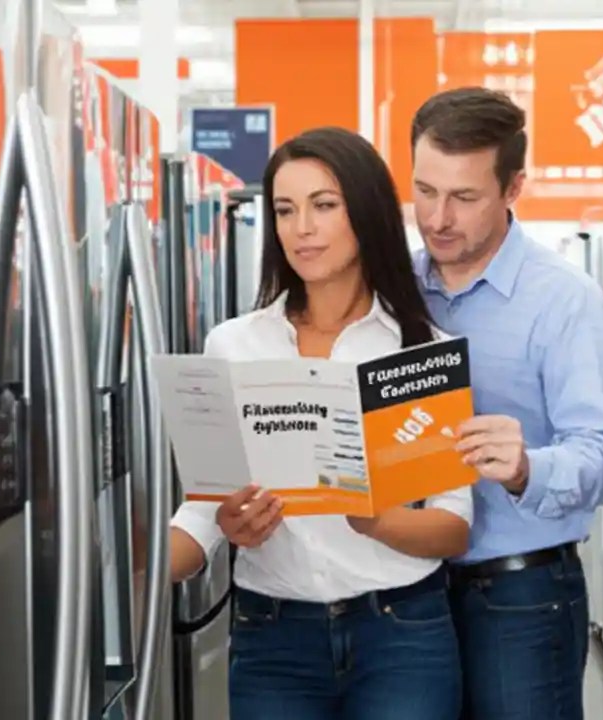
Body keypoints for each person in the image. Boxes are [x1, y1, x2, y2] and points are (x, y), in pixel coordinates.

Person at [167, 126, 473, 720]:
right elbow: (203, 512)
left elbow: (454, 526)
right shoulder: (233, 345)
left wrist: (375, 518)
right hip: (273, 639)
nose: (301, 227)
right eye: (285, 210)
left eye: (323, 205)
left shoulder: (420, 350)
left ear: (366, 213)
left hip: (402, 637)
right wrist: (122, 570)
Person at [407, 87, 603, 719]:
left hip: (520, 599)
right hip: (405, 597)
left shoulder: (564, 300)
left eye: (464, 197)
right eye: (425, 190)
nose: (439, 218)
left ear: (512, 189)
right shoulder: (395, 288)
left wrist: (529, 467)